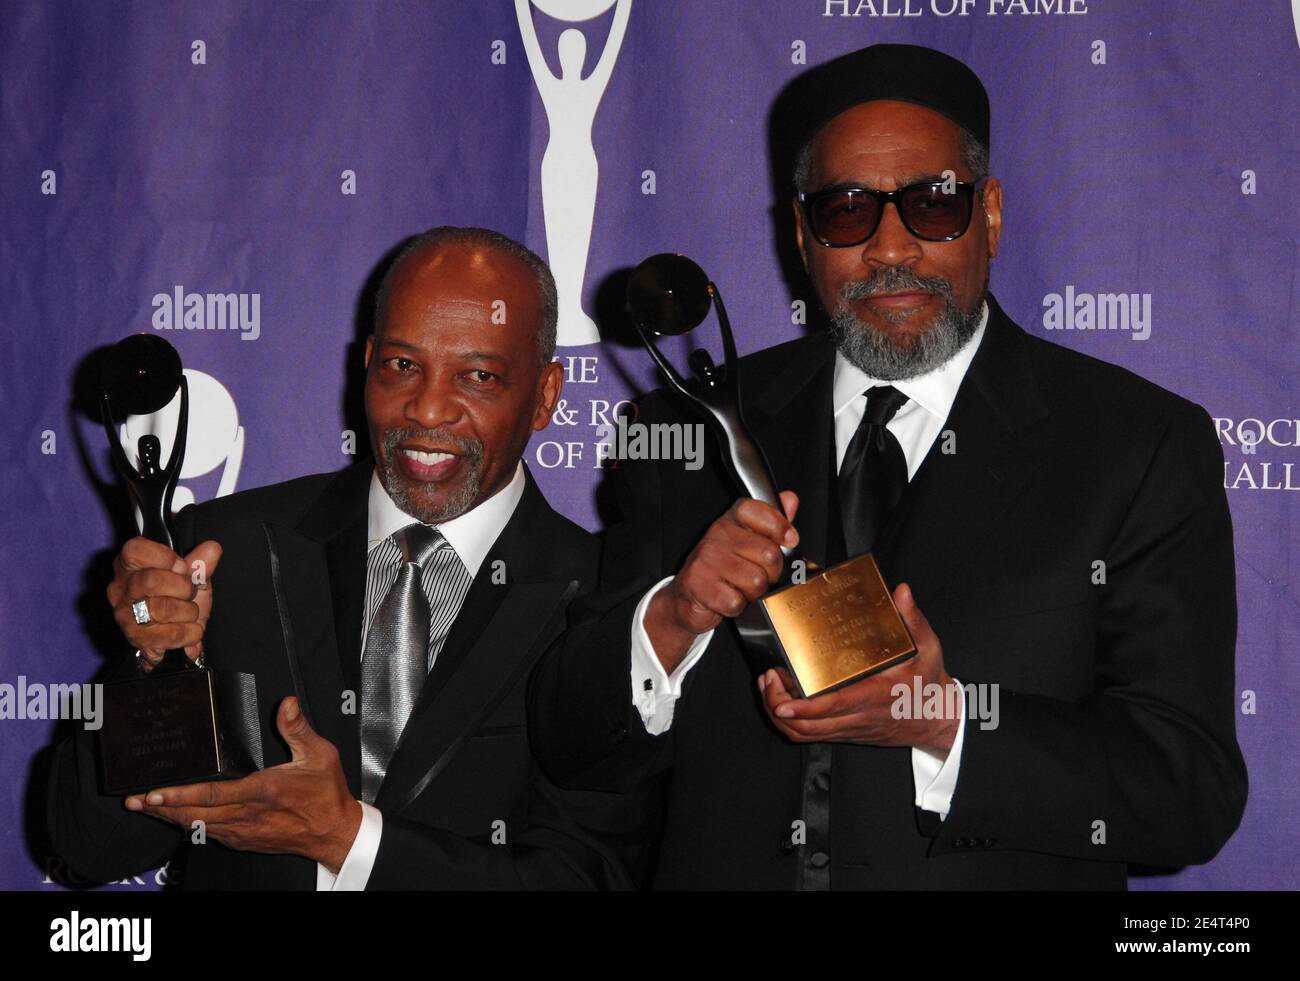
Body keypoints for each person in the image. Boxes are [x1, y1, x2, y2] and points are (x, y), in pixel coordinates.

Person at [528, 44, 1248, 889]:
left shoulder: (1136, 445)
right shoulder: (684, 435)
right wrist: (673, 616)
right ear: (802, 237)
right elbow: (571, 751)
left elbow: (1186, 792)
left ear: (992, 214)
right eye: (846, 212)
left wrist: (946, 724)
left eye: (933, 205)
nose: (890, 248)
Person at [50, 226, 648, 889]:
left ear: (545, 395)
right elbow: (92, 845)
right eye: (402, 365)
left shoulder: (604, 601)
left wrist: (349, 838)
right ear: (366, 362)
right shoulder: (227, 547)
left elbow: (587, 878)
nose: (427, 408)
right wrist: (153, 663)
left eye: (478, 375)